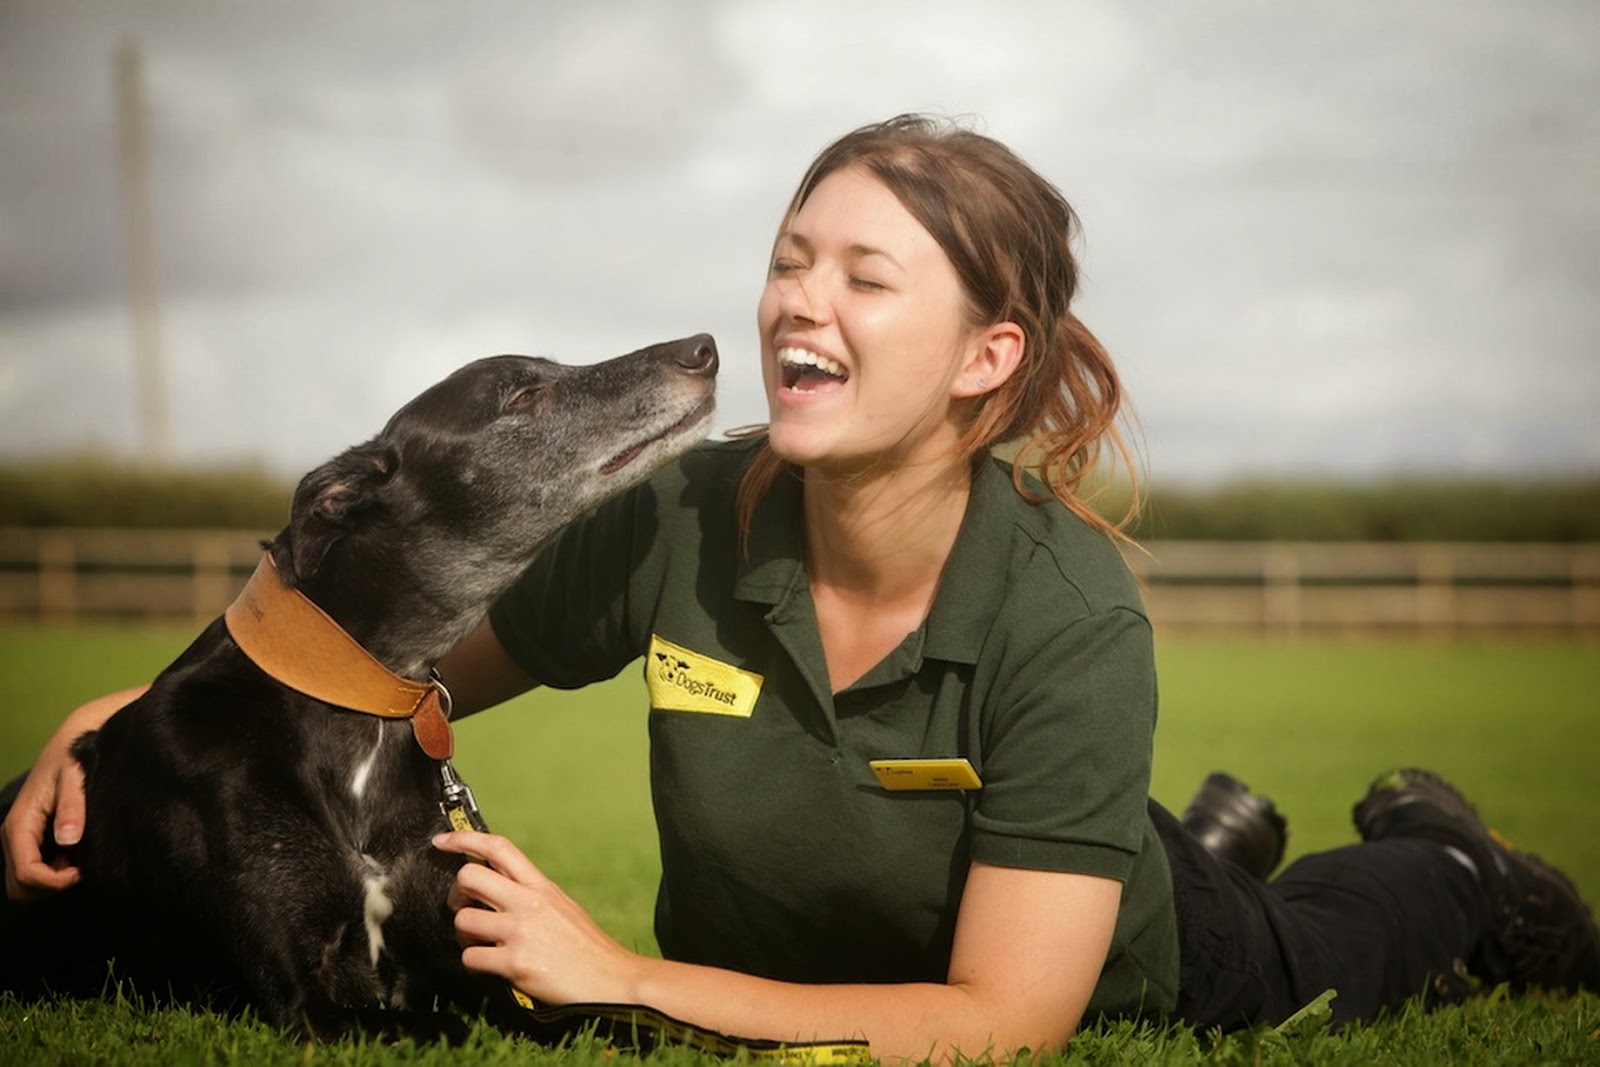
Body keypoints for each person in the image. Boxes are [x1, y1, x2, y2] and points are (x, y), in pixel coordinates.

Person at [6, 115, 1597, 1062]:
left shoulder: (1070, 611)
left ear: (989, 358)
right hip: (869, 928)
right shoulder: (674, 521)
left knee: (1302, 948)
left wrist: (621, 980)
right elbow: (379, 673)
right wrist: (140, 726)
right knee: (1138, 842)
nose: (793, 302)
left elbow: (1003, 1024)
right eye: (788, 255)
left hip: (1112, 949)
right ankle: (1196, 826)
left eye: (863, 275)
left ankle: (1442, 863)